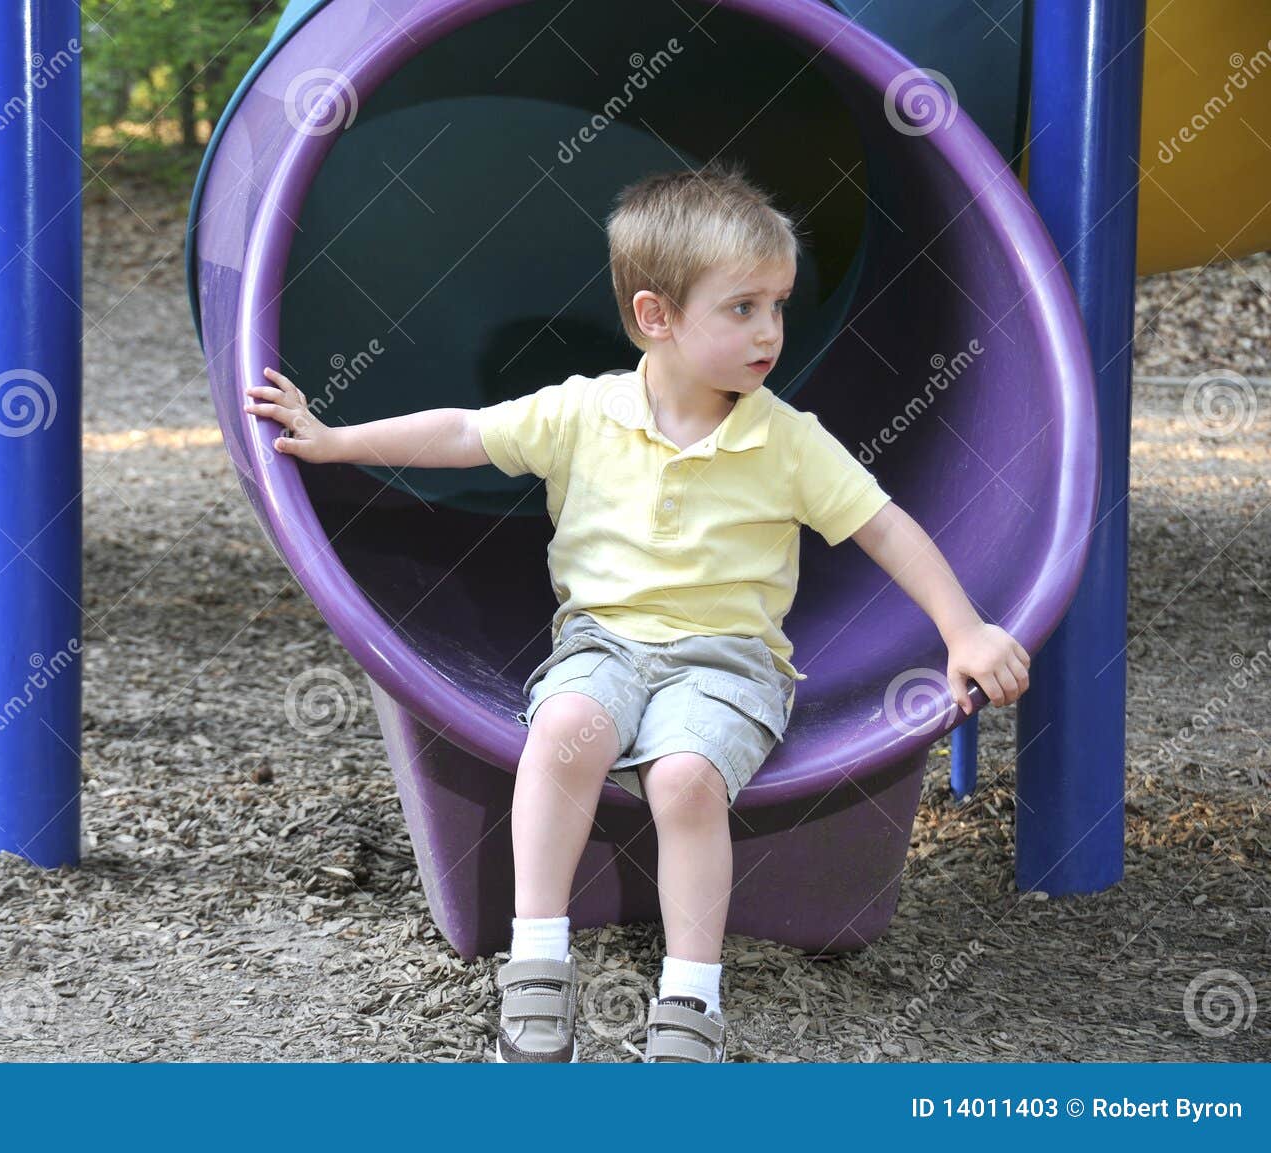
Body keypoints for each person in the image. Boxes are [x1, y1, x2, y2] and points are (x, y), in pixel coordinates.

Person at [243, 163, 1030, 1063]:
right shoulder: (586, 412)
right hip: (602, 642)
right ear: (657, 316)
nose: (770, 329)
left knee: (685, 779)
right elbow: (466, 431)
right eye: (742, 308)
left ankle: (690, 1000)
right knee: (565, 727)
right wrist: (337, 440)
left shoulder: (787, 439)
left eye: (777, 304)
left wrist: (964, 629)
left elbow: (886, 527)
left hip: (729, 660)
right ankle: (538, 963)